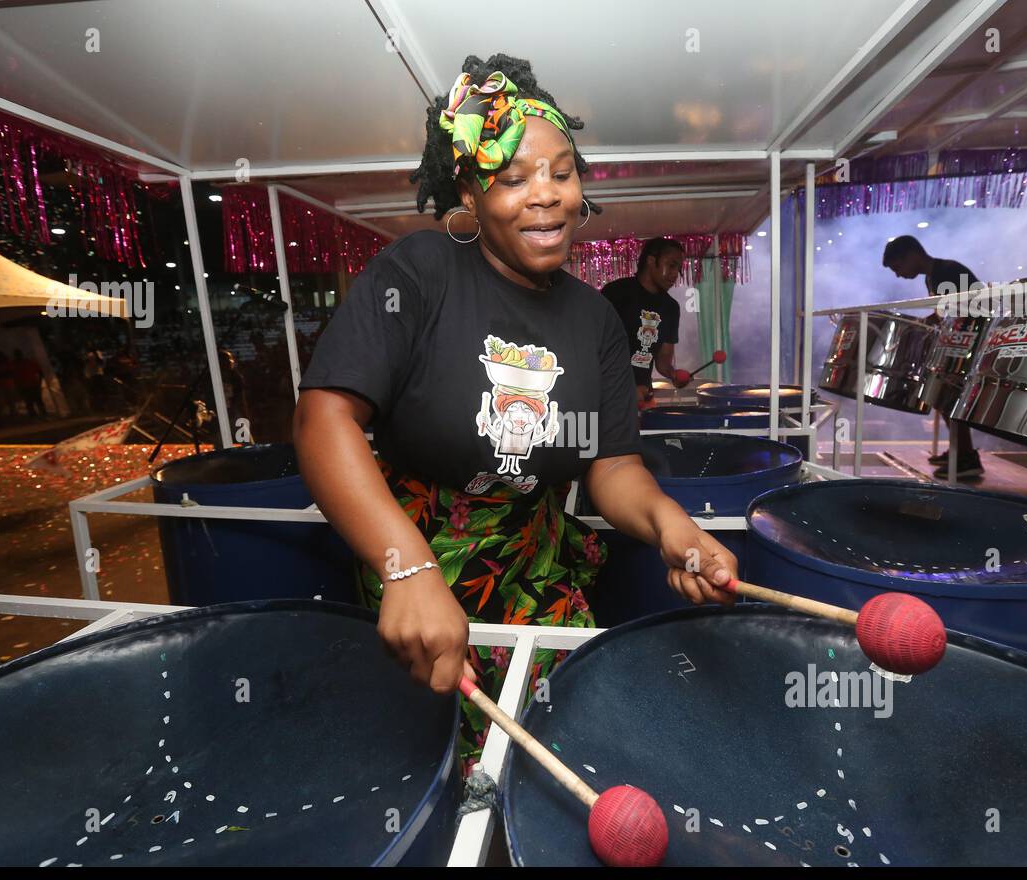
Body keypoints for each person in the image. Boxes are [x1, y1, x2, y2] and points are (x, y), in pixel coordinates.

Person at [293, 54, 737, 771]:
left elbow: (612, 464)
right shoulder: (421, 272)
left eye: (562, 173)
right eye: (514, 178)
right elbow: (323, 420)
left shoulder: (595, 320)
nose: (547, 197)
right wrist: (407, 571)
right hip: (419, 552)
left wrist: (670, 526)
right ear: (469, 189)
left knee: (560, 744)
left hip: (536, 557)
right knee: (451, 762)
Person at [882, 235, 983, 479]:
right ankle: (961, 450)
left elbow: (963, 309)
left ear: (912, 255)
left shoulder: (947, 271)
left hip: (968, 342)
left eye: (898, 267)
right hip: (958, 340)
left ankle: (967, 458)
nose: (898, 275)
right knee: (943, 398)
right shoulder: (934, 275)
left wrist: (921, 323)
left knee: (948, 397)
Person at [601, 238, 685, 404]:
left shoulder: (671, 307)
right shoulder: (615, 293)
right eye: (671, 265)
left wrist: (673, 374)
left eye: (679, 268)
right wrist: (626, 389)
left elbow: (663, 361)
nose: (675, 274)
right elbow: (596, 351)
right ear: (651, 261)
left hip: (643, 397)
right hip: (609, 397)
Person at [13, 349, 46, 418]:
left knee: (31, 402)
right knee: (35, 401)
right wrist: (39, 382)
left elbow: (40, 372)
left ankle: (37, 415)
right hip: (30, 385)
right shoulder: (28, 362)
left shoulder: (14, 364)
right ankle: (41, 415)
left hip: (26, 385)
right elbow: (40, 372)